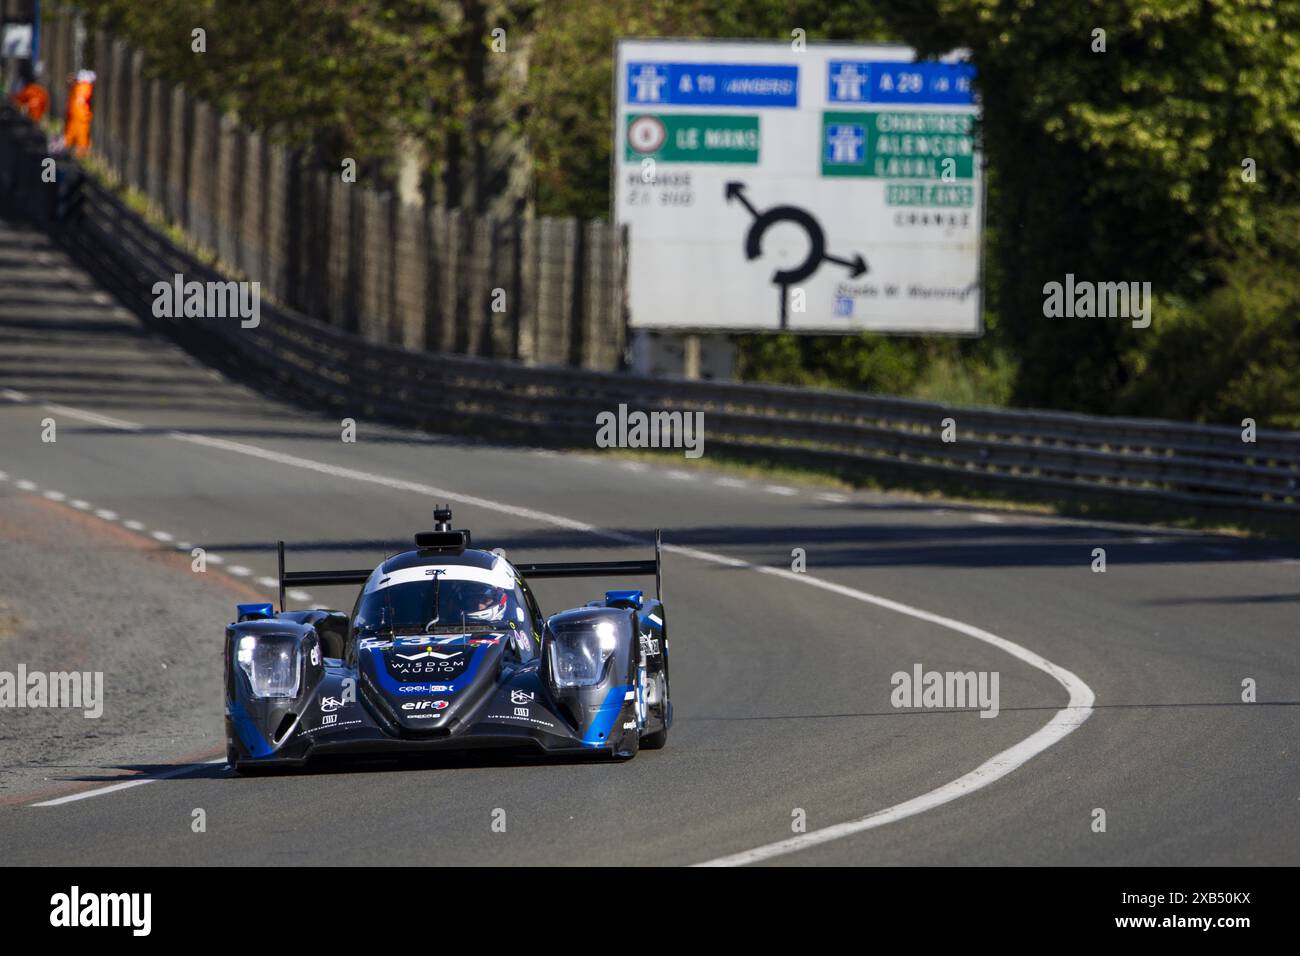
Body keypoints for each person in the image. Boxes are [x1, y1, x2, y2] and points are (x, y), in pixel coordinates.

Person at [63, 69, 95, 157]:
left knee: (77, 132)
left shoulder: (80, 87)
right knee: (79, 132)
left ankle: (72, 147)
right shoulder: (84, 87)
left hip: (78, 114)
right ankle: (79, 150)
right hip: (81, 115)